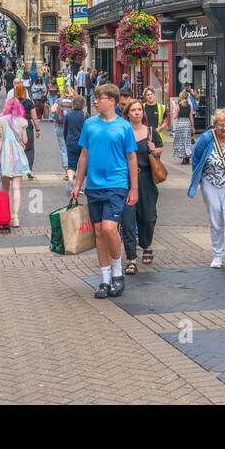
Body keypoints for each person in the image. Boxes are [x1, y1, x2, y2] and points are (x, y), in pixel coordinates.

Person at [71, 84, 139, 300]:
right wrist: (77, 183)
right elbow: (84, 155)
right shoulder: (89, 124)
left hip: (116, 184)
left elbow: (131, 158)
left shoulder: (124, 127)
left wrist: (134, 188)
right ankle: (104, 279)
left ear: (112, 101)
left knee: (110, 229)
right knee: (98, 232)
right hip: (94, 186)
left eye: (99, 98)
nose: (96, 102)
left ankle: (118, 272)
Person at [187, 107, 225, 274]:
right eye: (221, 125)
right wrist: (200, 178)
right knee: (216, 221)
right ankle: (217, 255)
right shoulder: (207, 138)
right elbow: (196, 157)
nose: (224, 129)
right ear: (215, 125)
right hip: (211, 184)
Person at [120, 99, 164, 274]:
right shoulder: (123, 132)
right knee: (128, 220)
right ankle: (131, 258)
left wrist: (155, 150)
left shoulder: (151, 132)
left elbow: (160, 149)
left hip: (146, 178)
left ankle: (146, 244)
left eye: (139, 110)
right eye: (133, 110)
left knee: (148, 217)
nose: (137, 112)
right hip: (126, 179)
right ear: (127, 113)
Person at [0, 97, 29, 229]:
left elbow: (0, 141)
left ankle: (5, 215)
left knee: (5, 189)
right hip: (18, 156)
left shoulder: (1, 121)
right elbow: (25, 140)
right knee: (17, 188)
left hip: (6, 156)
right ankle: (16, 218)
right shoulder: (22, 121)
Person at [15, 82, 38, 179]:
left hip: (15, 125)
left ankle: (18, 170)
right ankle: (29, 169)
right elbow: (35, 118)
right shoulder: (29, 102)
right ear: (24, 91)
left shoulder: (13, 102)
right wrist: (38, 129)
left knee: (16, 148)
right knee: (29, 148)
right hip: (27, 124)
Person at [62, 96, 87, 184]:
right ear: (83, 105)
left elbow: (65, 130)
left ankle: (70, 179)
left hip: (71, 142)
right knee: (83, 164)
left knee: (71, 164)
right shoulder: (85, 115)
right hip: (83, 143)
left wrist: (66, 140)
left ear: (73, 104)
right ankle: (81, 185)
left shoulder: (68, 115)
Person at [172, 86, 197, 164]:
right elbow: (191, 117)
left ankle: (183, 157)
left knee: (181, 141)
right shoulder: (190, 106)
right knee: (187, 141)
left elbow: (175, 116)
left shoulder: (178, 105)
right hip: (187, 124)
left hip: (180, 124)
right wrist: (192, 127)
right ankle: (187, 155)